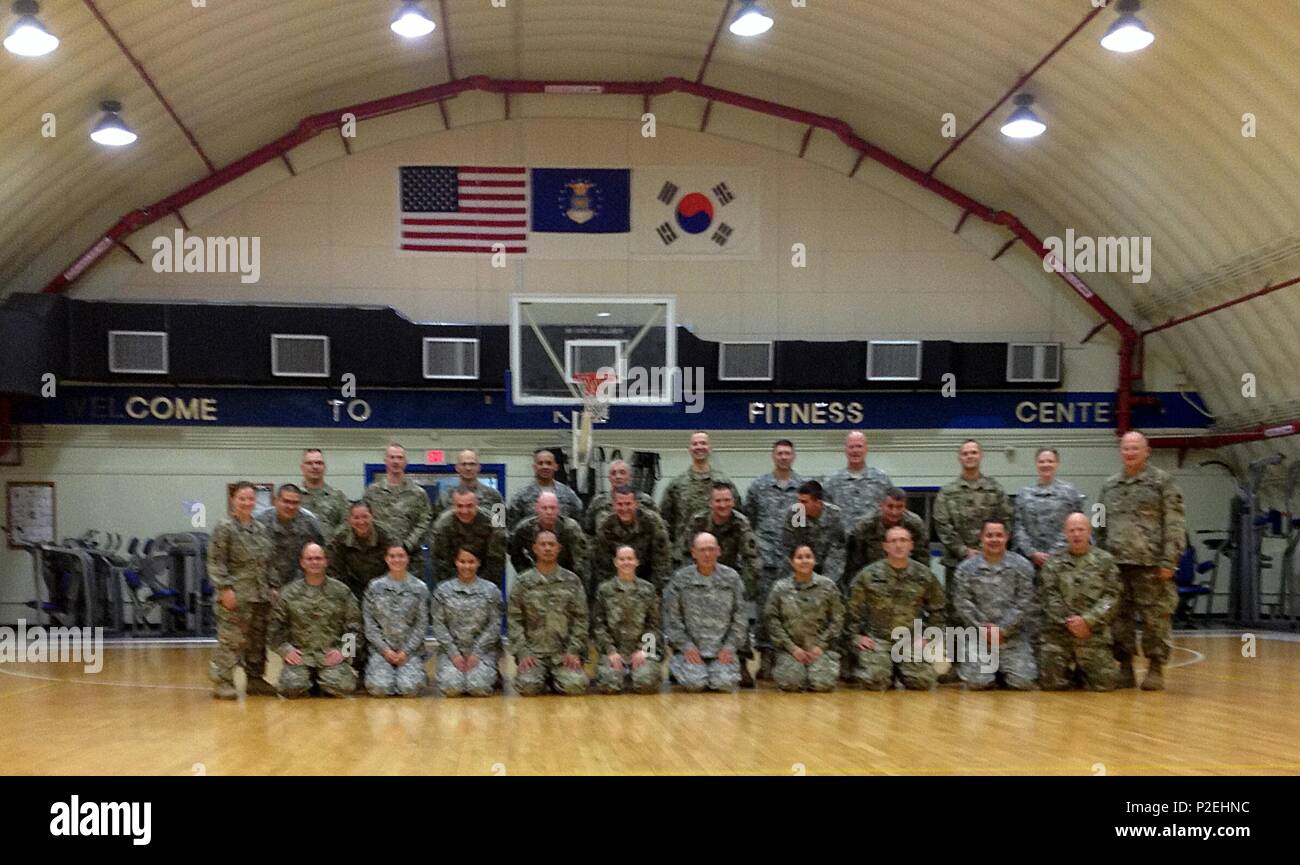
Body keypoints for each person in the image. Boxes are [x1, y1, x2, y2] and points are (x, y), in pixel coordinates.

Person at [1097, 430, 1186, 690]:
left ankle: (1155, 667)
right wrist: (1101, 560)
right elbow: (1100, 523)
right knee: (1119, 620)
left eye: (1135, 448)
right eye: (1126, 448)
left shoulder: (1162, 483)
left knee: (1155, 619)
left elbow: (1175, 523)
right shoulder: (1109, 486)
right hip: (1116, 565)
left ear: (1146, 452)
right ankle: (1124, 667)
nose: (1130, 453)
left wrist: (1170, 560)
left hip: (1152, 564)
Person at [933, 439, 1012, 680]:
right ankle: (957, 664)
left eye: (974, 452)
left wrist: (989, 551)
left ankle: (996, 660)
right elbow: (942, 524)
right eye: (965, 453)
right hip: (957, 563)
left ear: (980, 456)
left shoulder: (995, 490)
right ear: (960, 458)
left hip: (992, 564)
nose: (970, 456)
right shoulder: (948, 492)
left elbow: (1007, 521)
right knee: (957, 613)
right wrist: (964, 551)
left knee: (991, 611)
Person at [679, 483, 764, 687]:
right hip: (699, 574)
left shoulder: (741, 522)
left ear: (733, 502)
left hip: (730, 577)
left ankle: (740, 661)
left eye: (727, 500)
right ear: (710, 502)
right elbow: (684, 551)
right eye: (718, 500)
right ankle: (687, 659)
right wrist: (690, 582)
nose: (722, 504)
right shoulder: (698, 521)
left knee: (738, 615)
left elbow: (752, 558)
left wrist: (745, 588)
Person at [845, 526, 946, 691]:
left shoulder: (924, 576)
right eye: (893, 541)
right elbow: (851, 610)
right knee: (876, 680)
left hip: (911, 640)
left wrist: (929, 637)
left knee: (923, 681)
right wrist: (857, 637)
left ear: (911, 545)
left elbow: (938, 609)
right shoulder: (868, 575)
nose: (899, 545)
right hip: (878, 640)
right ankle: (885, 668)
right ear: (885, 546)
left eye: (903, 540)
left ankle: (901, 669)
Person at [208, 481, 276, 698]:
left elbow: (268, 561)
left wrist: (273, 587)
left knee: (257, 641)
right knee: (231, 640)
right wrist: (224, 588)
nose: (247, 503)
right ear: (233, 500)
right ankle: (222, 680)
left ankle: (255, 679)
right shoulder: (225, 527)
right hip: (236, 595)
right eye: (242, 498)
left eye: (250, 498)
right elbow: (216, 561)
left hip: (259, 594)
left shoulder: (260, 529)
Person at [1038, 513, 1121, 691]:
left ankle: (1083, 671)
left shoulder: (1105, 560)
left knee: (1106, 685)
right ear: (1065, 534)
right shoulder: (1053, 562)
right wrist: (1070, 621)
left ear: (1089, 532)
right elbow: (1048, 596)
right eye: (1072, 530)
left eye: (1081, 530)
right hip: (1059, 633)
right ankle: (1072, 672)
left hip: (1092, 633)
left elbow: (1112, 596)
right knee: (1050, 684)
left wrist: (1088, 621)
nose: (1076, 534)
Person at [951, 520, 1038, 690]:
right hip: (979, 637)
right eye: (989, 535)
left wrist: (1003, 630)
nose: (994, 540)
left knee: (1023, 683)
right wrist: (984, 628)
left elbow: (1025, 601)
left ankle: (1002, 670)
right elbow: (962, 603)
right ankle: (992, 671)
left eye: (999, 535)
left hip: (1012, 638)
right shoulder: (966, 569)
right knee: (977, 683)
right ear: (981, 538)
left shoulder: (1022, 566)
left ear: (1006, 537)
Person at [270, 542, 363, 698]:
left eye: (319, 558)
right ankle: (311, 680)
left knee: (343, 687)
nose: (314, 562)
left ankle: (320, 681)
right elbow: (275, 628)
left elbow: (355, 626)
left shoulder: (341, 591)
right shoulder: (289, 593)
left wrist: (344, 651)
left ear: (326, 562)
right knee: (290, 689)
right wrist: (286, 650)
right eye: (310, 558)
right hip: (301, 656)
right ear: (302, 563)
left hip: (329, 656)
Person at [507, 531, 590, 696]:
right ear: (535, 549)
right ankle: (542, 677)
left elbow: (581, 618)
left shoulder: (572, 581)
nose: (547, 548)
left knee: (576, 686)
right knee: (527, 688)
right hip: (534, 654)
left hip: (563, 654)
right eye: (543, 544)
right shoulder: (523, 582)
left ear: (558, 548)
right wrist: (522, 652)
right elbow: (514, 619)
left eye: (551, 544)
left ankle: (554, 678)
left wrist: (573, 650)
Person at [663, 533, 748, 693]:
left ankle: (714, 672)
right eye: (702, 550)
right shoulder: (681, 578)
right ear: (694, 553)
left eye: (711, 549)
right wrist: (686, 646)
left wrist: (730, 646)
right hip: (691, 651)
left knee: (724, 684)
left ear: (718, 551)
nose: (707, 554)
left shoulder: (732, 578)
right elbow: (672, 618)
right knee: (695, 684)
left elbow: (741, 617)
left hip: (722, 651)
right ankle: (683, 666)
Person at [764, 544, 844, 692]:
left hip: (820, 649)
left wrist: (821, 646)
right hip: (791, 650)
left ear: (815, 561)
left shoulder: (828, 586)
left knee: (822, 685)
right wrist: (792, 648)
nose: (804, 561)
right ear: (792, 562)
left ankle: (814, 673)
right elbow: (772, 620)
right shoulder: (780, 588)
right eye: (799, 557)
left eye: (808, 556)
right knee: (790, 684)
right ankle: (799, 672)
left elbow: (837, 619)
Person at [430, 546, 503, 697]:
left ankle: (490, 673)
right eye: (462, 561)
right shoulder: (443, 590)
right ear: (456, 563)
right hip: (452, 652)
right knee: (452, 688)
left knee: (478, 687)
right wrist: (454, 653)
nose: (467, 566)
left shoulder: (491, 590)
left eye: (471, 562)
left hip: (482, 652)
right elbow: (439, 625)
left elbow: (494, 625)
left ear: (478, 563)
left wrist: (476, 653)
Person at [591, 545, 663, 694]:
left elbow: (654, 625)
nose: (626, 562)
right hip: (614, 652)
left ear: (636, 562)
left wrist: (644, 650)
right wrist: (610, 651)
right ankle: (622, 674)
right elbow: (598, 625)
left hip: (641, 650)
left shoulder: (648, 590)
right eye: (622, 559)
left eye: (630, 559)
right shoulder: (605, 590)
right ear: (615, 562)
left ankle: (634, 675)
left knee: (647, 683)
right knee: (608, 686)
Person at [362, 544, 430, 697]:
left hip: (410, 652)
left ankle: (415, 673)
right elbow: (370, 624)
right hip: (382, 651)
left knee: (409, 689)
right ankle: (382, 673)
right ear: (386, 559)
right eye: (392, 556)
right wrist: (385, 651)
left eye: (401, 556)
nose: (396, 560)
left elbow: (421, 624)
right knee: (379, 689)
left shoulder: (420, 588)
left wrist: (405, 652)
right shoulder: (375, 587)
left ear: (408, 559)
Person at [659, 432, 740, 550]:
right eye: (695, 444)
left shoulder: (724, 483)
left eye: (703, 443)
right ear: (689, 449)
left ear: (710, 448)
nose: (699, 447)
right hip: (685, 553)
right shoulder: (676, 485)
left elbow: (736, 516)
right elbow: (665, 522)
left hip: (719, 552)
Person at [745, 439, 806, 592]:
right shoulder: (758, 486)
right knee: (765, 609)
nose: (783, 457)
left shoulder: (804, 488)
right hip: (765, 562)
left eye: (787, 453)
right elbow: (749, 521)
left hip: (793, 562)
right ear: (773, 456)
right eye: (779, 453)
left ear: (793, 457)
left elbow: (807, 525)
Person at [1013, 448, 1088, 567]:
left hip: (1063, 560)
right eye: (1041, 461)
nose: (1045, 465)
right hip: (1029, 561)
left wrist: (1054, 553)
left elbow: (1076, 526)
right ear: (1036, 464)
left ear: (1057, 464)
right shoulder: (1024, 494)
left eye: (1050, 461)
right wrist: (1032, 552)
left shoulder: (1069, 492)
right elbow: (1018, 527)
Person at [591, 486, 672, 591]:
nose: (624, 509)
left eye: (628, 504)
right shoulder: (606, 527)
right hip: (617, 580)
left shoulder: (652, 523)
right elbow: (603, 569)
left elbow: (661, 563)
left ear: (636, 504)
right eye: (620, 504)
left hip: (648, 578)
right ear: (614, 506)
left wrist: (656, 592)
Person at [509, 491, 590, 593]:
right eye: (545, 508)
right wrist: (527, 573)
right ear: (537, 509)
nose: (549, 512)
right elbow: (515, 554)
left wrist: (579, 588)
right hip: (536, 580)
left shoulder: (571, 529)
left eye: (552, 508)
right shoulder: (524, 529)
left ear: (558, 510)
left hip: (566, 579)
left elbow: (581, 563)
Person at [844, 487, 930, 580]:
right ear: (881, 505)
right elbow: (854, 562)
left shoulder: (914, 525)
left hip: (907, 579)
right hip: (872, 579)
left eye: (899, 507)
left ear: (905, 506)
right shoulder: (865, 526)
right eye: (890, 506)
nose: (894, 512)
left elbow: (922, 559)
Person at [363, 442, 433, 555]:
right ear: (385, 461)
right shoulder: (372, 492)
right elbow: (365, 521)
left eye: (400, 458)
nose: (395, 461)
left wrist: (407, 545)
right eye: (392, 457)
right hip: (379, 555)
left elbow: (424, 522)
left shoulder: (418, 494)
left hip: (411, 556)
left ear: (405, 462)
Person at [429, 487, 507, 587]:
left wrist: (481, 586)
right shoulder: (442, 525)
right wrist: (455, 586)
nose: (464, 511)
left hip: (487, 580)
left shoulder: (494, 522)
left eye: (469, 506)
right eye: (460, 506)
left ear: (477, 505)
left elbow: (497, 560)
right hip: (452, 580)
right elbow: (440, 562)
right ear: (453, 506)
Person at [256, 483, 323, 593]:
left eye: (295, 503)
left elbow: (317, 559)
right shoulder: (260, 522)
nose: (291, 507)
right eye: (286, 501)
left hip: (299, 589)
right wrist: (268, 587)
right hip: (263, 587)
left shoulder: (310, 523)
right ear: (276, 501)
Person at [822, 430, 895, 532]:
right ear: (845, 450)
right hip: (842, 543)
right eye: (851, 447)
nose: (855, 450)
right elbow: (824, 516)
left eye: (859, 446)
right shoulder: (832, 482)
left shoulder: (881, 479)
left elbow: (892, 511)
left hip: (872, 542)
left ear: (866, 449)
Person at [326, 502, 392, 601]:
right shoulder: (340, 538)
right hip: (351, 588)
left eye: (365, 517)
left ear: (372, 517)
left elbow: (396, 563)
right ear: (349, 519)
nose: (361, 522)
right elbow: (335, 571)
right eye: (356, 518)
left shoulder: (386, 535)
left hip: (383, 587)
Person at [506, 448, 584, 530]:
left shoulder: (568, 495)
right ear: (535, 467)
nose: (545, 466)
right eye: (540, 463)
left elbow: (579, 524)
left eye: (549, 463)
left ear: (556, 467)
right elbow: (512, 527)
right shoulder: (521, 496)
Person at [583, 459, 658, 535]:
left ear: (629, 476)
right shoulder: (598, 502)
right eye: (613, 473)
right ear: (609, 478)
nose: (618, 476)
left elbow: (658, 528)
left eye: (622, 473)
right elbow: (588, 532)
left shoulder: (645, 500)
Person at [434, 449, 503, 521]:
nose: (468, 468)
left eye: (472, 464)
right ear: (457, 468)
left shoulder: (494, 496)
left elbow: (500, 524)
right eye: (463, 464)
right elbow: (436, 526)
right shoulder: (445, 496)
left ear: (479, 467)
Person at [299, 448, 351, 542]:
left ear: (324, 467)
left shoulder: (338, 496)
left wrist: (333, 539)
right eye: (309, 463)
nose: (315, 467)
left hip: (330, 553)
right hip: (300, 553)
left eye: (319, 463)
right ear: (302, 467)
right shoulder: (294, 497)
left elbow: (348, 524)